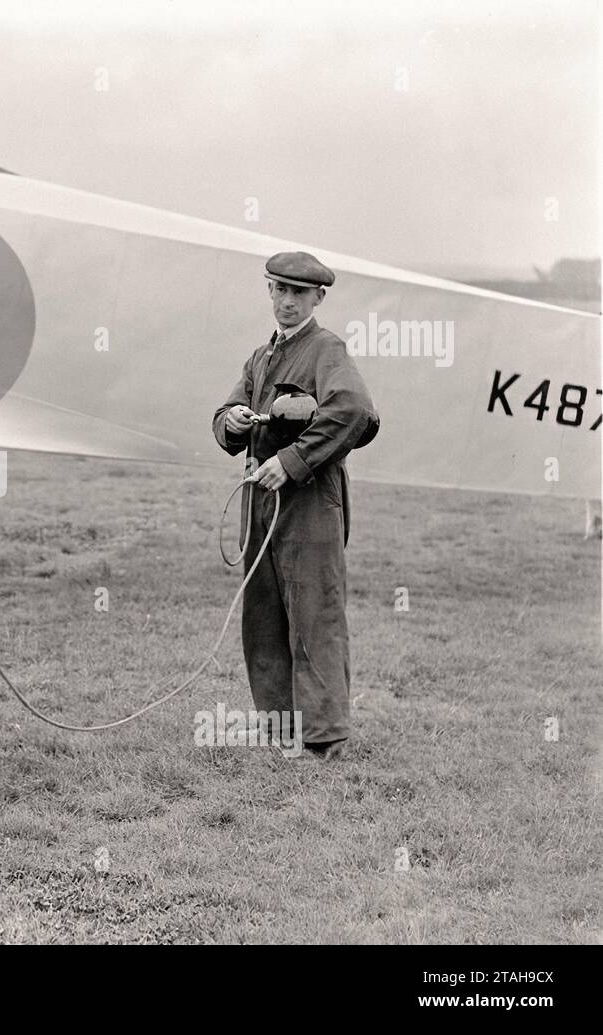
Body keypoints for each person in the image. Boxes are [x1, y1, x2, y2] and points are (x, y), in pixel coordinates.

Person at [211, 251, 379, 759]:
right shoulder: (261, 357)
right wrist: (233, 420)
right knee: (263, 615)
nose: (286, 301)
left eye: (298, 293)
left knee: (314, 613)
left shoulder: (327, 350)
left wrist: (293, 460)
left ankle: (323, 739)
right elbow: (224, 413)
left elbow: (355, 410)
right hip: (260, 502)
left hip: (309, 503)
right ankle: (280, 729)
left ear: (318, 298)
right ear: (269, 291)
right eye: (278, 290)